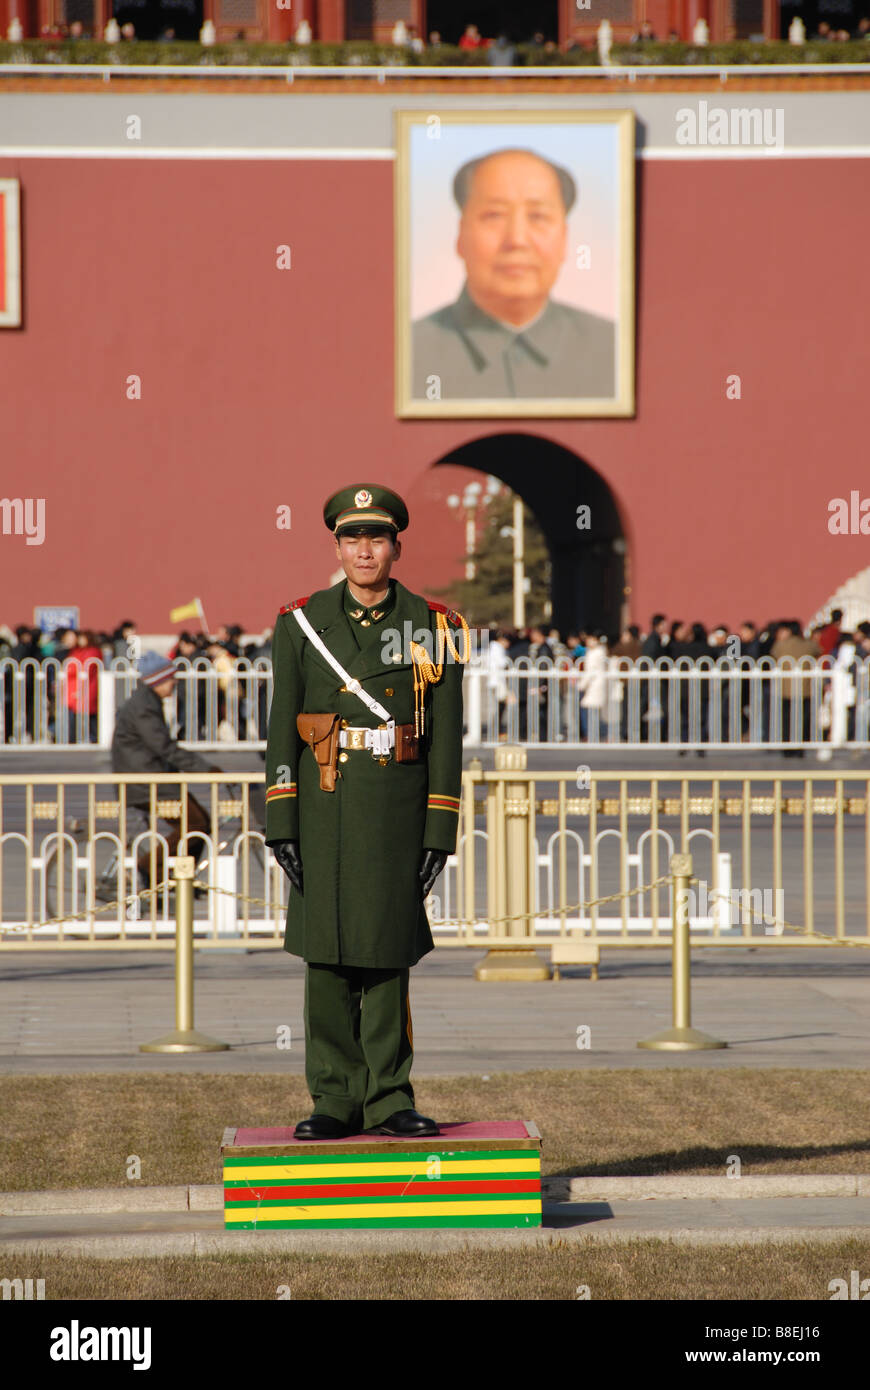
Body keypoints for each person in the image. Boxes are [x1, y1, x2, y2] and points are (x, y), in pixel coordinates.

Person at [265, 484, 467, 1140]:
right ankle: (332, 1096)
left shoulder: (437, 627)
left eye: (376, 538)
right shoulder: (299, 623)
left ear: (396, 546)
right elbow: (281, 732)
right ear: (336, 546)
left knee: (385, 955)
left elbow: (446, 736)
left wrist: (440, 828)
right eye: (352, 539)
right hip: (322, 802)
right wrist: (281, 822)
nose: (364, 550)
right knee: (325, 955)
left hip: (394, 808)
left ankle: (386, 1097)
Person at [411, 148, 616, 401]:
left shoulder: (615, 351)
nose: (517, 240)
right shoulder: (406, 353)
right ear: (461, 236)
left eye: (538, 216)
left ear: (564, 238)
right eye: (494, 215)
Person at [108, 652, 223, 893]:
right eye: (171, 679)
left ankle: (180, 878)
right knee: (196, 825)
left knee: (200, 822)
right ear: (157, 680)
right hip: (146, 782)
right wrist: (206, 769)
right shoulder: (144, 707)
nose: (175, 683)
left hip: (152, 778)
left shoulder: (147, 701)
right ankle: (150, 866)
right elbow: (163, 746)